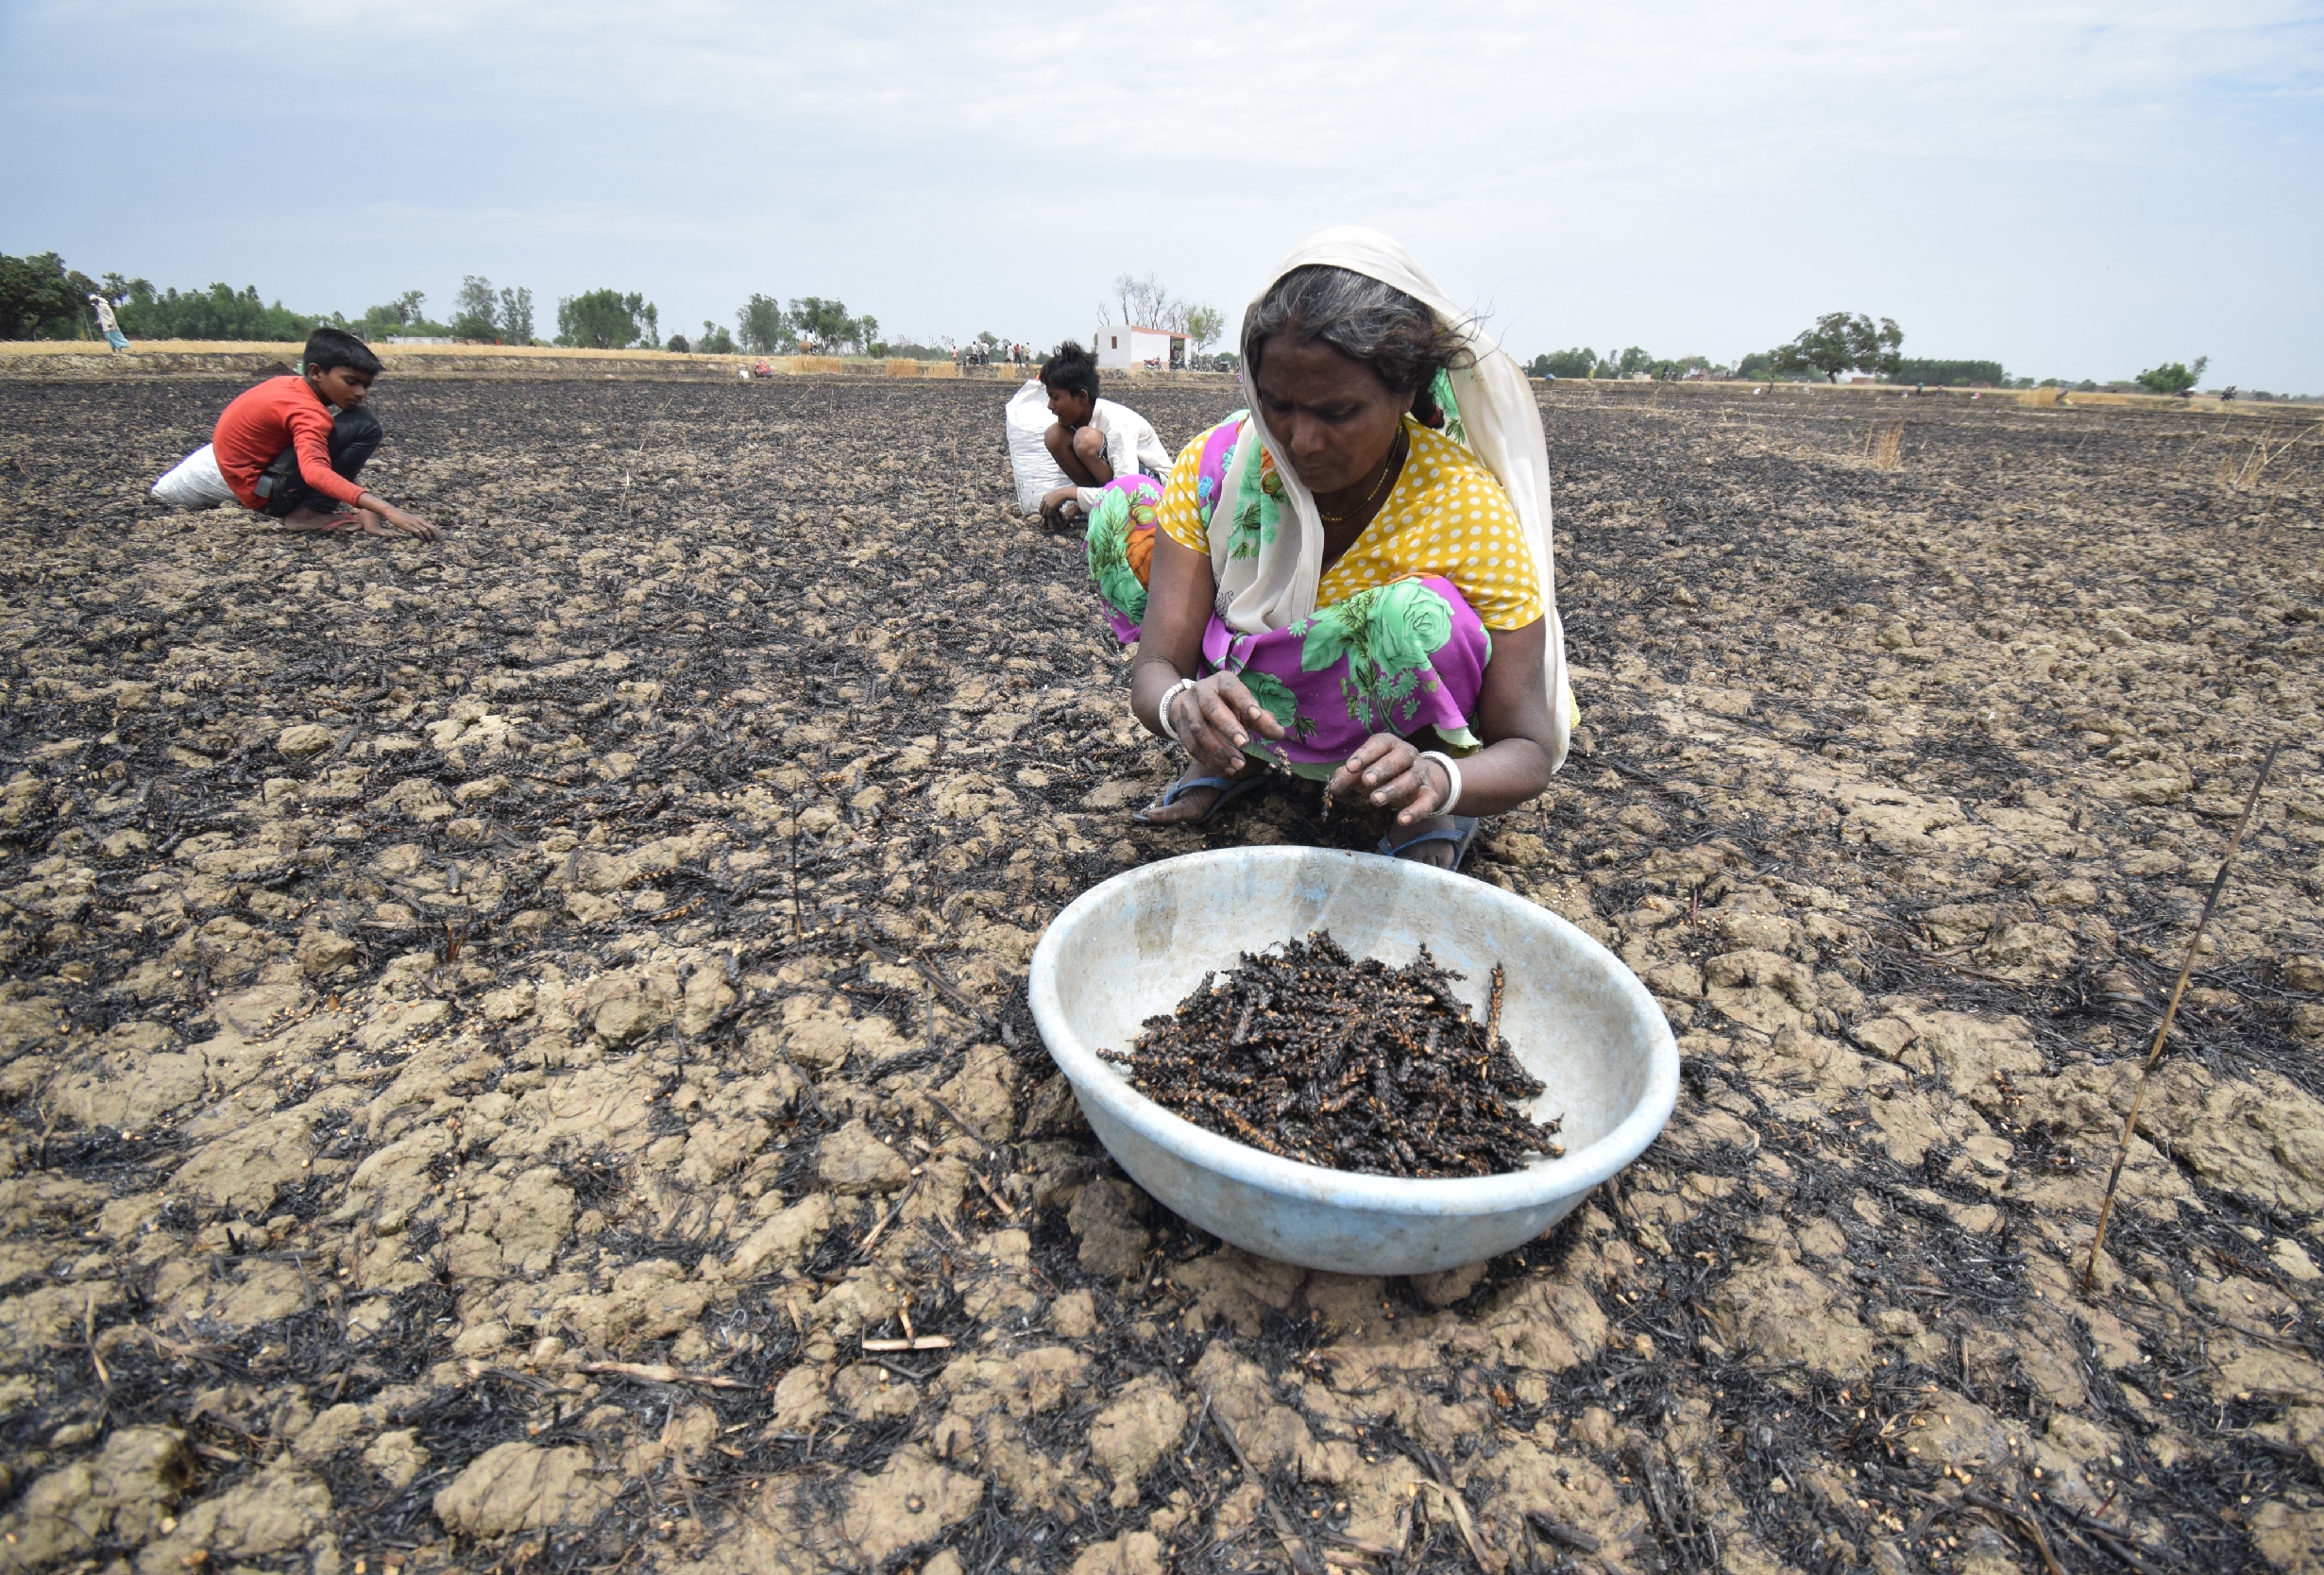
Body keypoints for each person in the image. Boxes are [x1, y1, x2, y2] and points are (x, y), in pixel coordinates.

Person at [1080, 229, 1577, 869]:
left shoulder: (1461, 505)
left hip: (1393, 754)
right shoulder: (1218, 466)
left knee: (1415, 618)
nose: (1301, 440)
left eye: (1338, 412)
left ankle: (1420, 811)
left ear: (1405, 394)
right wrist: (1184, 707)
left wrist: (1440, 778)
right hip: (1254, 695)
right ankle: (1233, 755)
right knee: (1120, 512)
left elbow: (1526, 747)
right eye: (1276, 404)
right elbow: (1155, 669)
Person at [191, 328, 436, 537]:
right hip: (267, 495)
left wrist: (365, 507)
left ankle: (308, 510)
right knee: (364, 424)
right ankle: (307, 515)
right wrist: (388, 510)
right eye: (351, 382)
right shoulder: (308, 412)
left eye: (366, 385)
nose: (361, 393)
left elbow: (329, 455)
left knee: (358, 421)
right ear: (317, 372)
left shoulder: (288, 387)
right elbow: (315, 472)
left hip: (261, 485)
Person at [1035, 340, 1172, 532]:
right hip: (1122, 487)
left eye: (1055, 398)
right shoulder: (1079, 420)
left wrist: (1069, 494)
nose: (1050, 405)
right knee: (1054, 435)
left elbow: (1129, 492)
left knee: (1085, 440)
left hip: (1155, 491)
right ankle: (1096, 511)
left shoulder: (1116, 425)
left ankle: (1111, 514)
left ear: (1082, 397)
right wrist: (1074, 506)